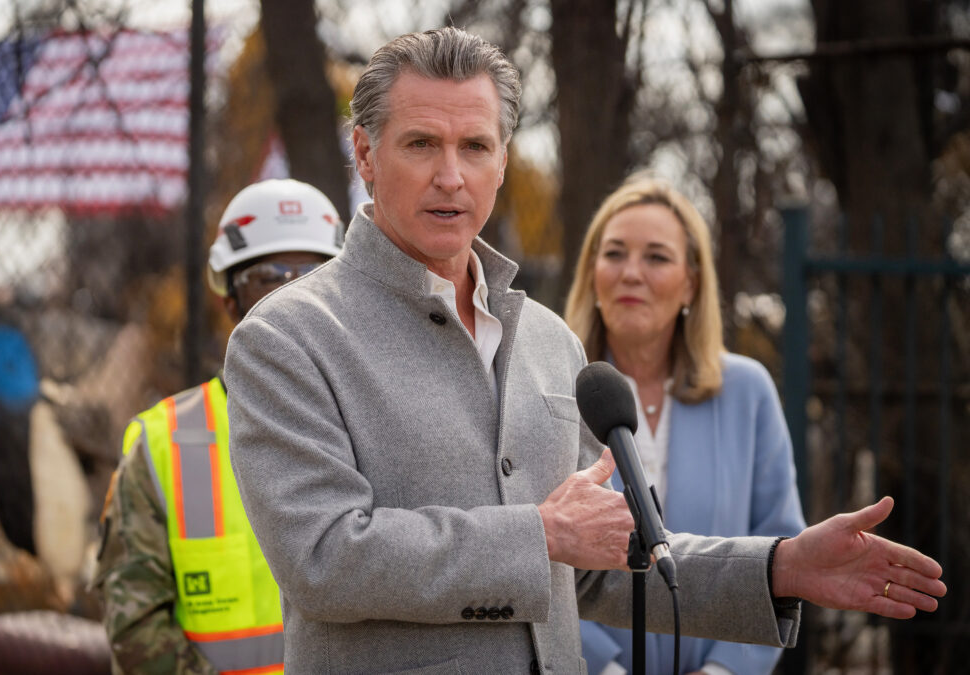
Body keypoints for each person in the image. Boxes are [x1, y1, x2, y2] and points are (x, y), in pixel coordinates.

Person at [224, 27, 945, 675]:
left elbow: (597, 562)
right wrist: (537, 532)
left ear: (503, 159)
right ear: (365, 153)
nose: (452, 176)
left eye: (475, 146)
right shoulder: (286, 338)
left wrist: (779, 566)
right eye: (421, 144)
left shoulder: (547, 338)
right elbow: (323, 557)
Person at [92, 178, 344, 674]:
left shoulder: (385, 420)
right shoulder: (163, 443)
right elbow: (136, 625)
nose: (292, 295)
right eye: (269, 277)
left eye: (314, 274)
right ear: (228, 298)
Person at [564, 175, 806, 675]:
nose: (632, 272)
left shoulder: (748, 392)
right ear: (592, 273)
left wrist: (722, 671)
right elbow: (543, 559)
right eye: (614, 254)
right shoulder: (552, 389)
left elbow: (781, 548)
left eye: (656, 257)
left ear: (691, 282)